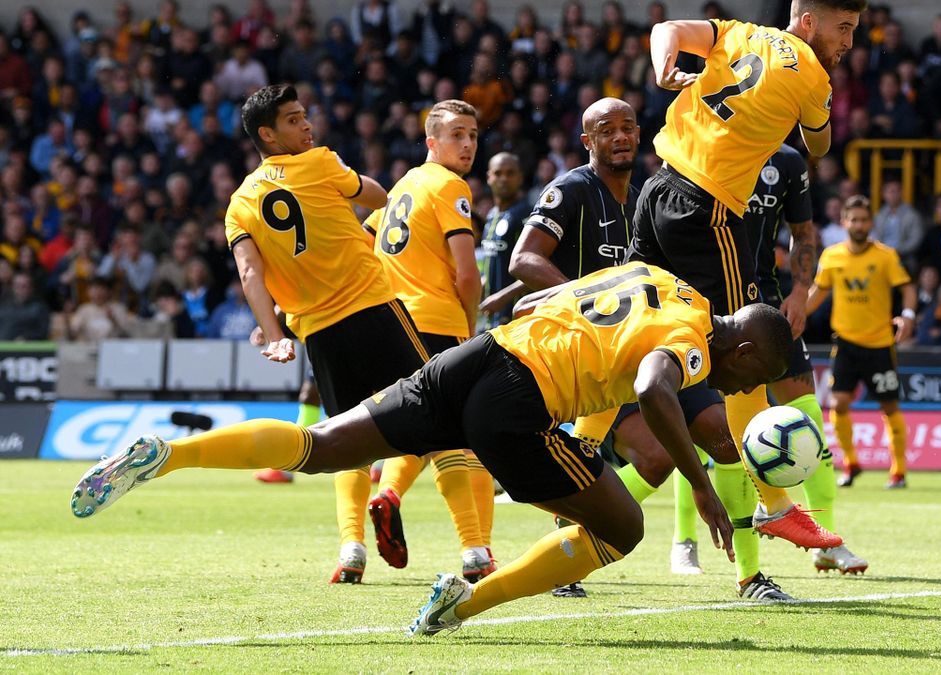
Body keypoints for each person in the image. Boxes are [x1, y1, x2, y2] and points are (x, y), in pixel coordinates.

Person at [71, 263, 794, 636]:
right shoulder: (699, 342)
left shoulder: (657, 279)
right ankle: (463, 602)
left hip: (480, 356)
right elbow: (654, 384)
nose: (737, 383)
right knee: (623, 528)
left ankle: (166, 454)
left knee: (323, 445)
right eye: (748, 374)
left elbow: (537, 303)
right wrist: (701, 486)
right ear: (741, 346)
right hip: (519, 404)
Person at [510, 99, 812, 600]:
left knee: (686, 446)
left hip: (658, 347)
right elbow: (525, 259)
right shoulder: (572, 190)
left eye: (629, 127)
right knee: (589, 451)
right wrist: (582, 305)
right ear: (588, 142)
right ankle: (564, 559)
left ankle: (750, 575)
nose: (621, 137)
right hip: (597, 351)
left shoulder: (650, 193)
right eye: (607, 130)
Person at [624, 0, 864, 550]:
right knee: (746, 348)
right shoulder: (812, 74)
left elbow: (667, 29)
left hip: (658, 188)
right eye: (843, 27)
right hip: (709, 208)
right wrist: (806, 116)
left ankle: (580, 439)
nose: (849, 41)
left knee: (633, 320)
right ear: (807, 21)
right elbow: (820, 146)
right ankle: (776, 505)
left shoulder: (738, 32)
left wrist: (664, 67)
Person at [220, 84, 426, 584]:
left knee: (348, 441)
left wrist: (273, 335)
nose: (307, 126)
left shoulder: (241, 202)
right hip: (375, 308)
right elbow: (377, 196)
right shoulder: (320, 162)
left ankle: (351, 548)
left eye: (305, 116)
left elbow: (251, 275)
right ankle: (469, 547)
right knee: (438, 409)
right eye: (294, 120)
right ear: (267, 134)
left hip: (319, 334)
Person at [363, 100, 494, 584]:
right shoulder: (449, 186)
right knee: (455, 436)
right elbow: (466, 271)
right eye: (456, 134)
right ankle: (475, 550)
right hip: (438, 322)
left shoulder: (402, 187)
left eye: (473, 135)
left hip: (396, 326)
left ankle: (391, 495)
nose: (467, 144)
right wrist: (469, 325)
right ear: (431, 143)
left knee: (428, 429)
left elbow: (364, 240)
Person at [728, 142, 867, 574]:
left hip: (769, 306)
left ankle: (826, 541)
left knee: (810, 424)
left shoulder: (787, 161)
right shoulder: (706, 139)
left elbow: (804, 232)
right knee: (715, 440)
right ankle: (701, 547)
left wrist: (800, 292)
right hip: (710, 304)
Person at [807, 195, 917, 489]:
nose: (859, 224)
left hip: (880, 343)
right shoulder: (831, 256)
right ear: (844, 222)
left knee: (889, 406)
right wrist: (795, 316)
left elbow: (907, 289)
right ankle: (852, 463)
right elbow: (818, 292)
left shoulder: (885, 256)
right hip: (845, 342)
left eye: (864, 219)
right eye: (853, 219)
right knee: (839, 404)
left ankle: (899, 470)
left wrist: (907, 315)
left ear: (871, 223)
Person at [477, 152, 532, 328]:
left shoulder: (527, 215)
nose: (504, 179)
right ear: (489, 177)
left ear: (520, 178)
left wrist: (503, 297)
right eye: (498, 173)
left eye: (510, 173)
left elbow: (536, 271)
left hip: (517, 319)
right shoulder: (492, 215)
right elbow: (494, 262)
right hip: (491, 316)